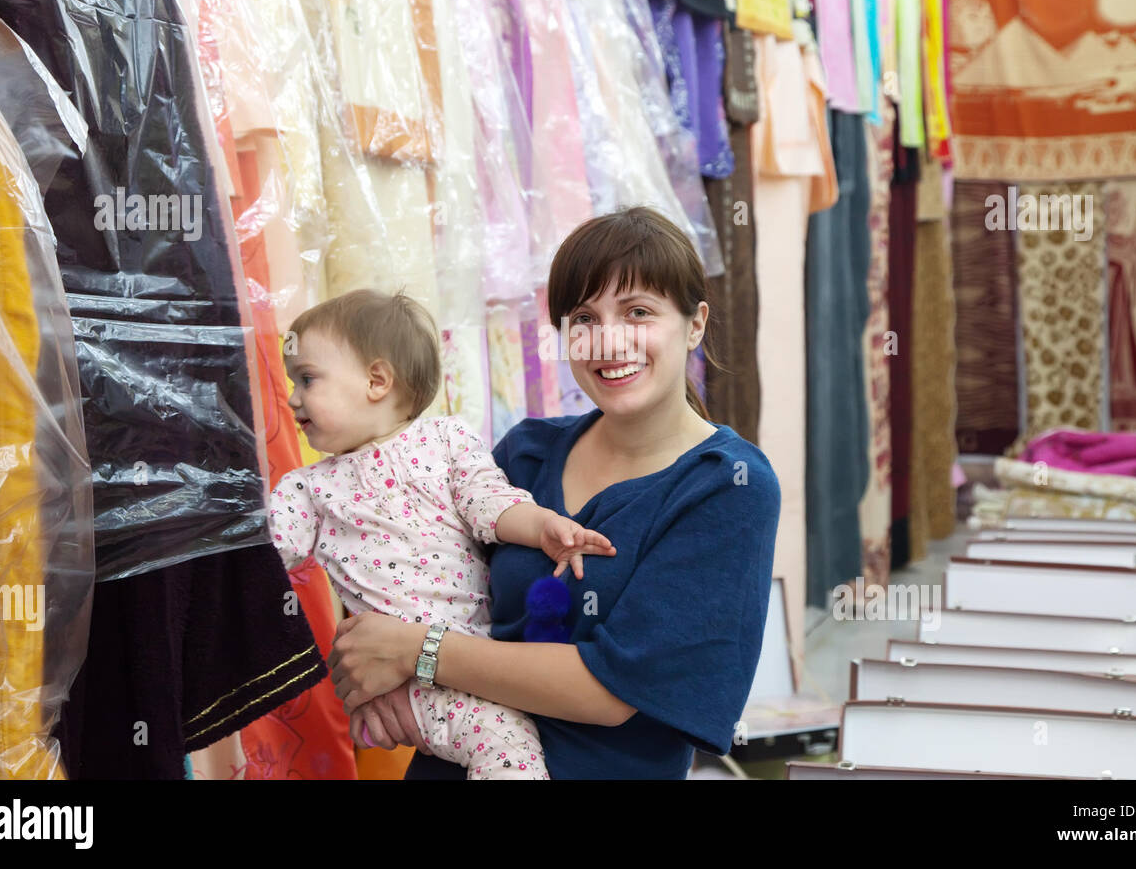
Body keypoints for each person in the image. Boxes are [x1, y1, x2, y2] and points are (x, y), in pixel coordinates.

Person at [329, 206, 781, 779]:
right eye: (584, 318)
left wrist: (415, 650)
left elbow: (611, 691)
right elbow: (415, 572)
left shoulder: (726, 485)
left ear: (695, 323)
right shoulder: (526, 453)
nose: (608, 341)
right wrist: (379, 670)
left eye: (638, 312)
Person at [271, 288, 616, 778]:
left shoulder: (447, 441)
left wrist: (543, 527)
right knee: (510, 755)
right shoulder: (305, 488)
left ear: (376, 380)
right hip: (408, 683)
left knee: (507, 746)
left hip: (466, 661)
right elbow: (263, 553)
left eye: (307, 379)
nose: (292, 397)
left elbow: (489, 503)